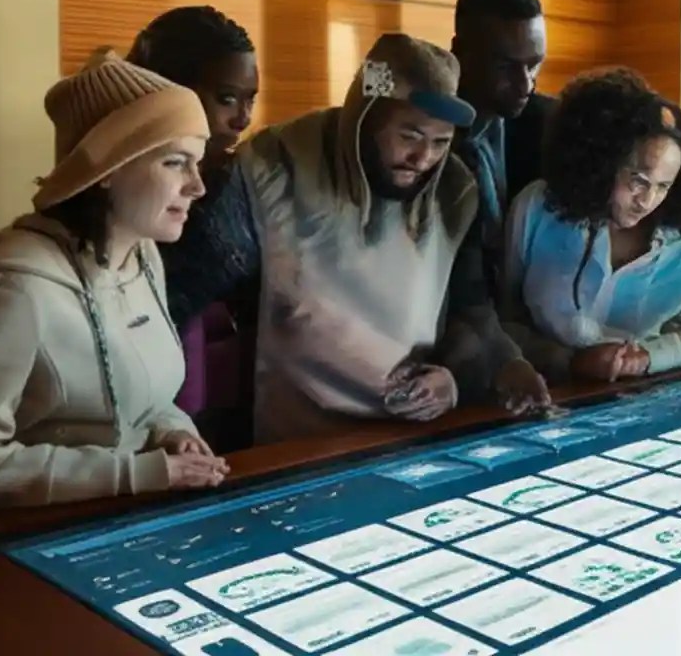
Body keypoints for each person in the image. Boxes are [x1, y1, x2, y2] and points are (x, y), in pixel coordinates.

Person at [164, 33, 551, 444]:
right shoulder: (274, 167)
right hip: (298, 451)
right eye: (410, 136)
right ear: (367, 113)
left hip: (414, 443)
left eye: (440, 142)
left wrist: (470, 374)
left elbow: (469, 310)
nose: (424, 159)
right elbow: (178, 296)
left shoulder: (454, 188)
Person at [0, 49, 228, 506]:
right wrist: (138, 473)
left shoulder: (144, 257)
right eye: (176, 162)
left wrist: (171, 431)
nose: (197, 186)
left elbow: (140, 400)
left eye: (198, 163)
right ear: (107, 171)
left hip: (121, 523)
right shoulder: (17, 286)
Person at [502, 68, 681, 384]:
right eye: (638, 180)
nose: (647, 200)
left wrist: (645, 359)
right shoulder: (536, 208)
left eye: (664, 186)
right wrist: (569, 362)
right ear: (601, 164)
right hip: (543, 383)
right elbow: (505, 320)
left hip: (646, 391)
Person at [126, 5, 260, 449]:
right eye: (226, 98)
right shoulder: (121, 206)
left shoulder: (242, 181)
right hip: (135, 446)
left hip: (229, 429)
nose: (243, 119)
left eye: (250, 100)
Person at [451, 0, 554, 289]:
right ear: (460, 52)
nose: (526, 85)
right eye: (505, 67)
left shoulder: (554, 125)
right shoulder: (421, 134)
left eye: (534, 65)